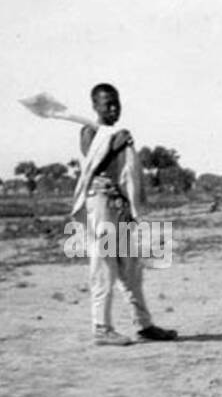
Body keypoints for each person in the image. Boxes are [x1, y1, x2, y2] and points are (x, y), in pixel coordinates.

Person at [71, 83, 177, 346]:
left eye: (116, 103)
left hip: (120, 204)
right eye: (107, 104)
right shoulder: (90, 132)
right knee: (104, 265)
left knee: (131, 268)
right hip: (101, 204)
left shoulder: (118, 135)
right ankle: (101, 327)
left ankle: (144, 325)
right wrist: (114, 143)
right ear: (94, 106)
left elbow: (126, 175)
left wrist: (130, 205)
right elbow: (94, 161)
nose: (113, 108)